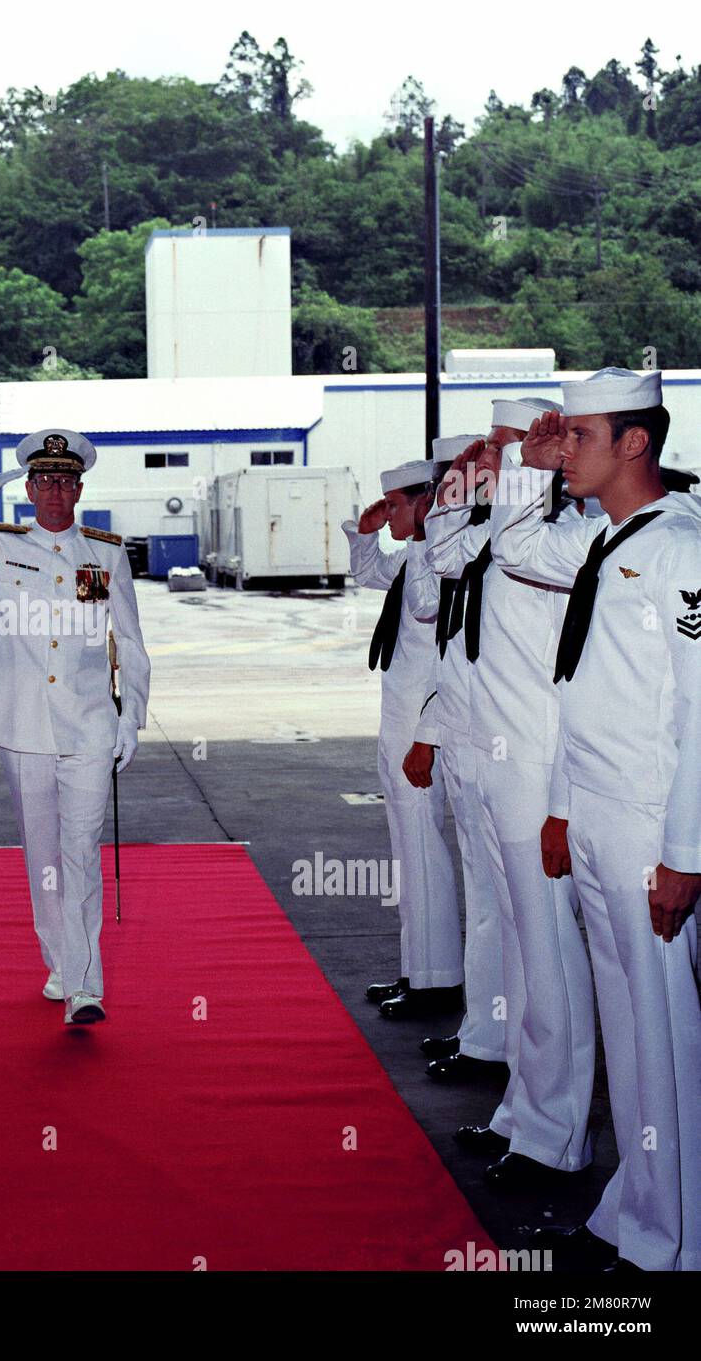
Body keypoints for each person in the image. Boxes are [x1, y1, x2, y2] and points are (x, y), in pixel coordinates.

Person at [493, 367, 701, 1272]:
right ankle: (638, 1211)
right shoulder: (611, 540)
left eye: (579, 436)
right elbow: (510, 551)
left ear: (635, 444)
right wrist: (522, 467)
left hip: (653, 831)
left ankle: (673, 1244)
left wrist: (686, 853)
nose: (564, 450)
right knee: (630, 1039)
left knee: (666, 1043)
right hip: (598, 820)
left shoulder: (681, 550)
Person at [421, 398, 598, 1199]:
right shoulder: (502, 525)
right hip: (492, 758)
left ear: (548, 449)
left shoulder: (574, 534)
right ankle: (523, 1113)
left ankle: (555, 1137)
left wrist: (523, 474)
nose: (485, 461)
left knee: (551, 958)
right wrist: (460, 491)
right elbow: (444, 570)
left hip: (540, 764)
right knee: (526, 951)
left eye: (504, 448)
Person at [0, 429, 150, 1025]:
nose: (55, 491)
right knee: (43, 856)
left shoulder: (106, 554)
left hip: (91, 725)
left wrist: (133, 717)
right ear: (27, 488)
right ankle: (61, 964)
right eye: (44, 480)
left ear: (79, 488)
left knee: (82, 852)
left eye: (65, 480)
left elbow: (129, 640)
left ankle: (85, 987)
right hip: (22, 726)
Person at [344, 461, 464, 1019]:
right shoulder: (420, 552)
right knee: (407, 853)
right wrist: (365, 533)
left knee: (423, 853)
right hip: (400, 725)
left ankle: (437, 981)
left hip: (423, 731)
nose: (388, 510)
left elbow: (440, 642)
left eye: (396, 503)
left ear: (427, 501)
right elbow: (369, 575)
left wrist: (424, 738)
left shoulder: (442, 559)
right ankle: (418, 968)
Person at [404, 433, 506, 1084]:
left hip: (510, 751)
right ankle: (485, 1038)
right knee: (490, 908)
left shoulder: (526, 535)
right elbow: (430, 605)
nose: (466, 473)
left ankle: (514, 1053)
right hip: (468, 741)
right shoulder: (474, 530)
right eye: (454, 470)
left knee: (524, 923)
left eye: (479, 462)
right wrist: (450, 502)